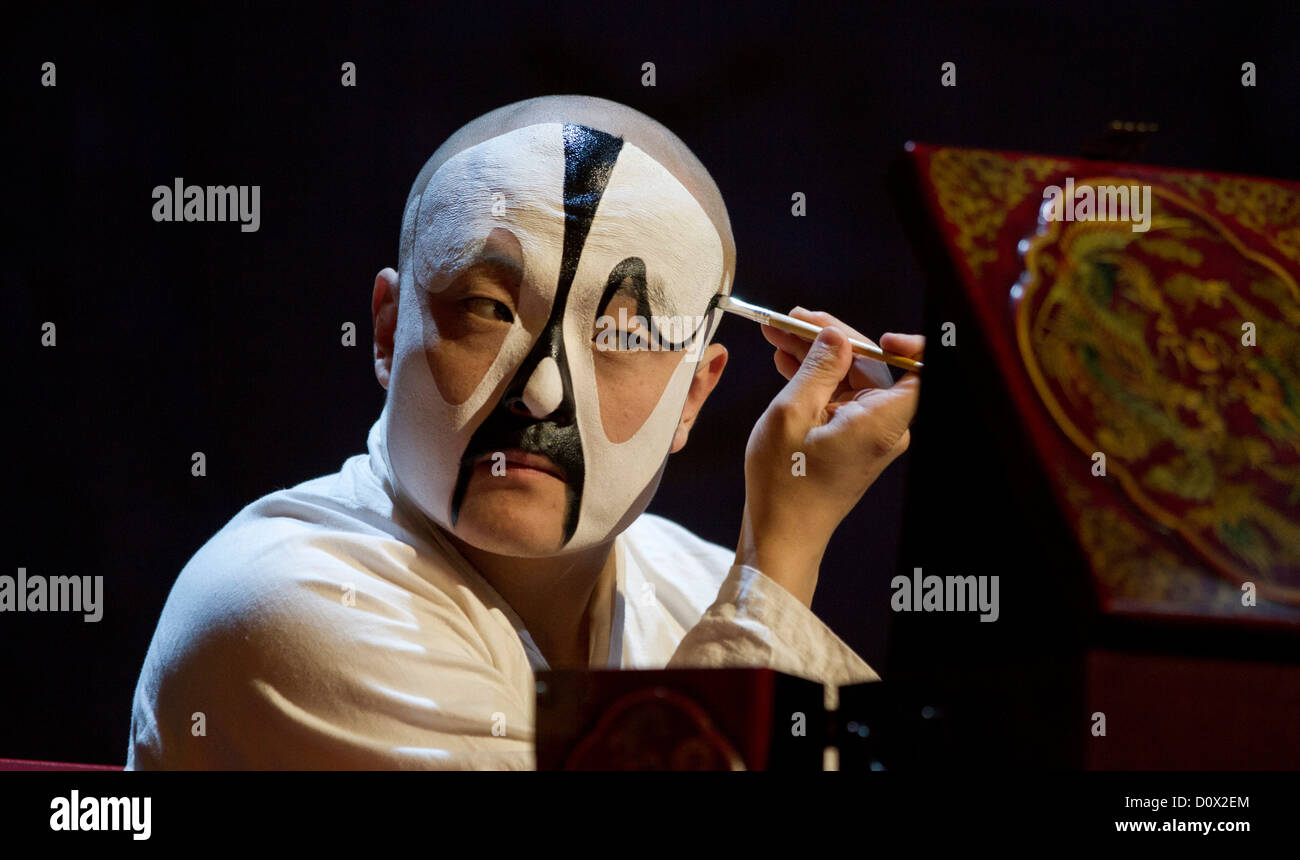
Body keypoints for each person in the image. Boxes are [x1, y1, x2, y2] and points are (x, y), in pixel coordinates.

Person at [125, 94, 923, 769]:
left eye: (625, 334)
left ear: (693, 395)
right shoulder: (285, 606)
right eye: (487, 309)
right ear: (384, 331)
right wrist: (780, 563)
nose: (541, 391)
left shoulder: (698, 585)